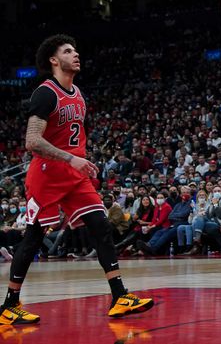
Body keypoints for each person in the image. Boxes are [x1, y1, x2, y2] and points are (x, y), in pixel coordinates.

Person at [0, 35, 152, 326]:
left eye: (76, 50)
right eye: (68, 51)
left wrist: (80, 160)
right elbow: (32, 141)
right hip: (47, 174)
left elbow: (72, 137)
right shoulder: (46, 93)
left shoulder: (79, 93)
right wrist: (70, 158)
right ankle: (10, 304)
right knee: (34, 237)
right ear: (54, 60)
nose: (76, 54)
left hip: (74, 174)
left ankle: (119, 296)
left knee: (101, 225)